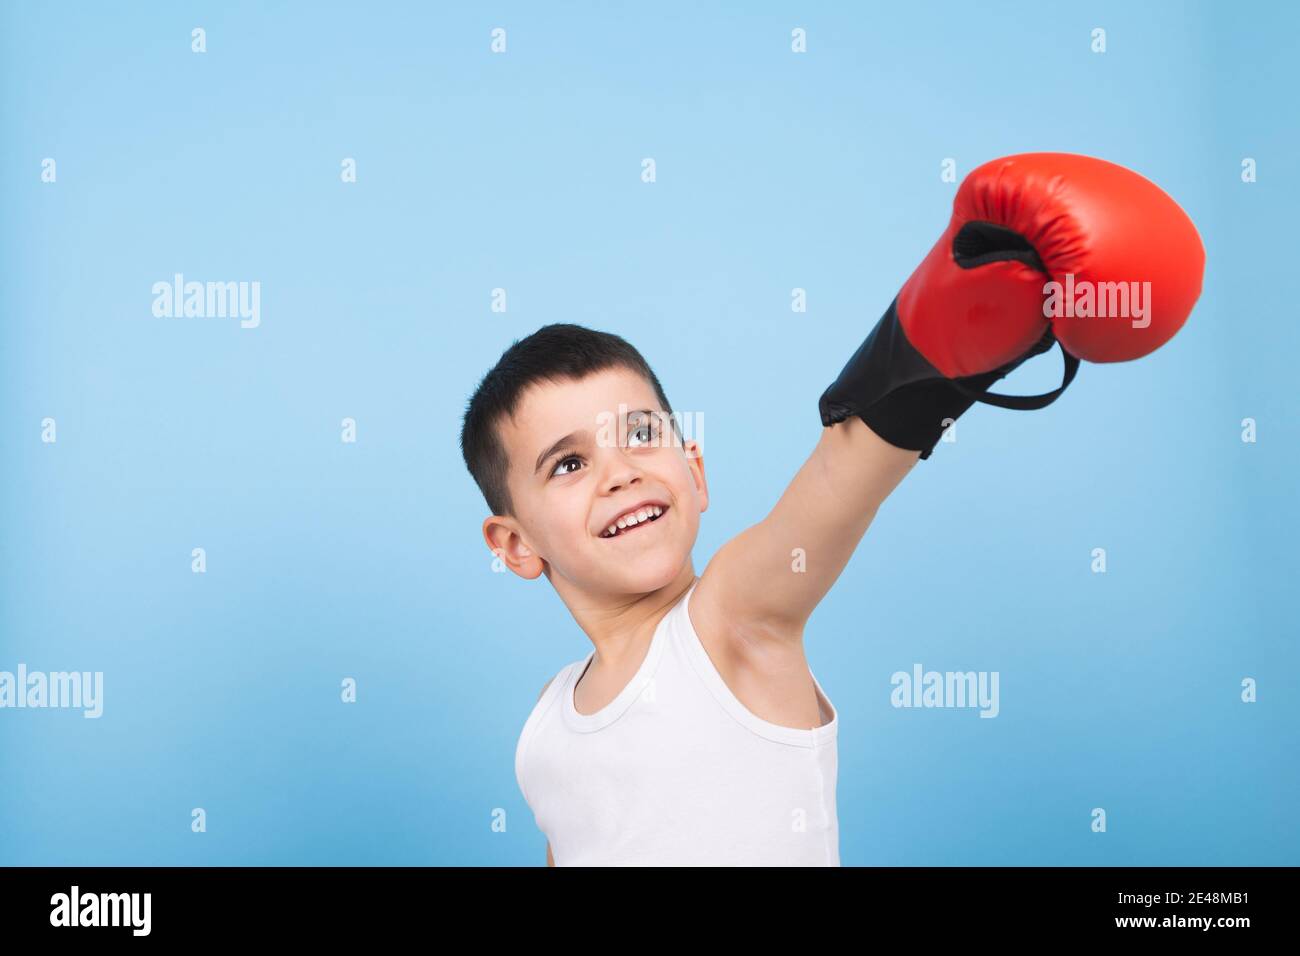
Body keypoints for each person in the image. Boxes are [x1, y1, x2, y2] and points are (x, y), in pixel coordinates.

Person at [458, 152, 1204, 866]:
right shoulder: (546, 726)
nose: (620, 473)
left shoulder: (730, 621)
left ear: (696, 472)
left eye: (642, 435)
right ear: (515, 545)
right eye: (570, 463)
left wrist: (954, 330)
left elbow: (842, 472)